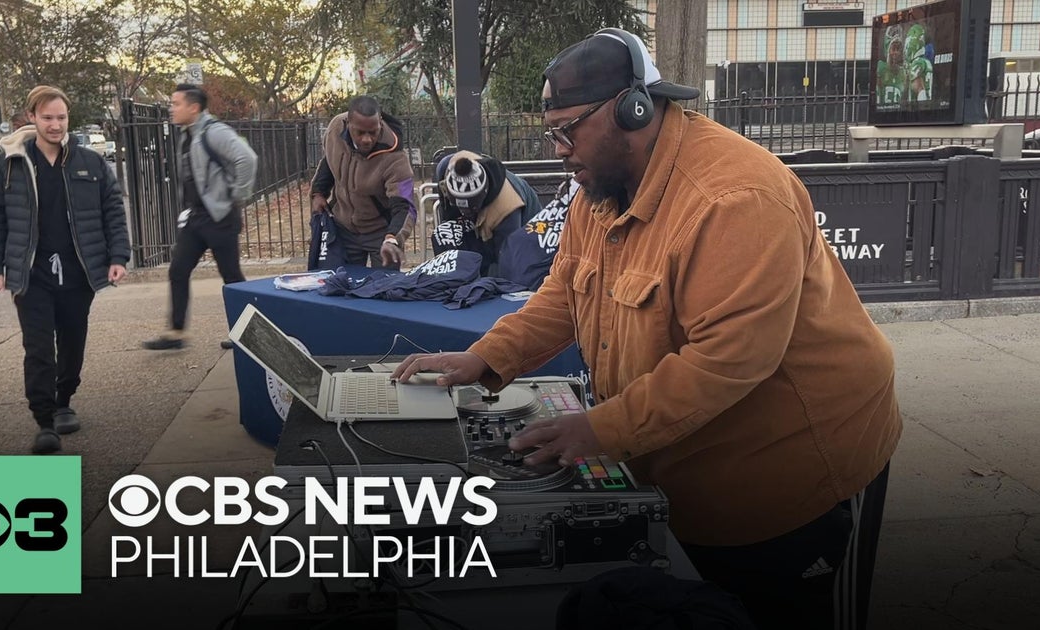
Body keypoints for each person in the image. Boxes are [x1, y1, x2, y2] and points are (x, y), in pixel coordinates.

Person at [393, 28, 902, 630]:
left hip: (795, 476)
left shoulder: (737, 199)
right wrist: (485, 358)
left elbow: (725, 363)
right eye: (550, 132)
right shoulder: (597, 187)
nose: (558, 148)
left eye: (567, 129)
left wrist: (597, 429)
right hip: (688, 467)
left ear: (633, 110)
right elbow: (565, 290)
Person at [0, 85, 130, 455]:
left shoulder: (89, 162)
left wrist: (118, 257)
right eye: (47, 117)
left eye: (61, 117)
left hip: (78, 270)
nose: (55, 124)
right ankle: (45, 420)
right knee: (37, 348)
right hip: (30, 273)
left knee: (72, 340)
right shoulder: (10, 163)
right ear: (32, 117)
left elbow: (112, 209)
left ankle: (65, 399)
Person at [143, 84, 258, 350]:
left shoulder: (214, 132)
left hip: (219, 217)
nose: (172, 109)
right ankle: (175, 332)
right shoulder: (188, 134)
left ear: (193, 107)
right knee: (178, 270)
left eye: (176, 104)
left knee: (231, 277)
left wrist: (236, 194)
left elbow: (247, 159)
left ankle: (248, 334)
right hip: (196, 218)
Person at [309, 95, 416, 270]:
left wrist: (393, 238)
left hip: (380, 232)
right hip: (342, 226)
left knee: (384, 290)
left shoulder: (396, 158)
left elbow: (405, 206)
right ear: (348, 123)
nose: (366, 139)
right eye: (360, 132)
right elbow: (330, 159)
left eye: (372, 132)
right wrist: (318, 193)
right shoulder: (336, 128)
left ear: (380, 123)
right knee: (333, 287)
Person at [431, 150, 546, 287]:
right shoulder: (446, 168)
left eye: (471, 208)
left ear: (483, 197)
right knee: (445, 233)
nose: (464, 212)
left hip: (527, 233)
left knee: (506, 275)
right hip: (483, 219)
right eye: (459, 206)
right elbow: (448, 217)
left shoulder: (507, 210)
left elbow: (506, 265)